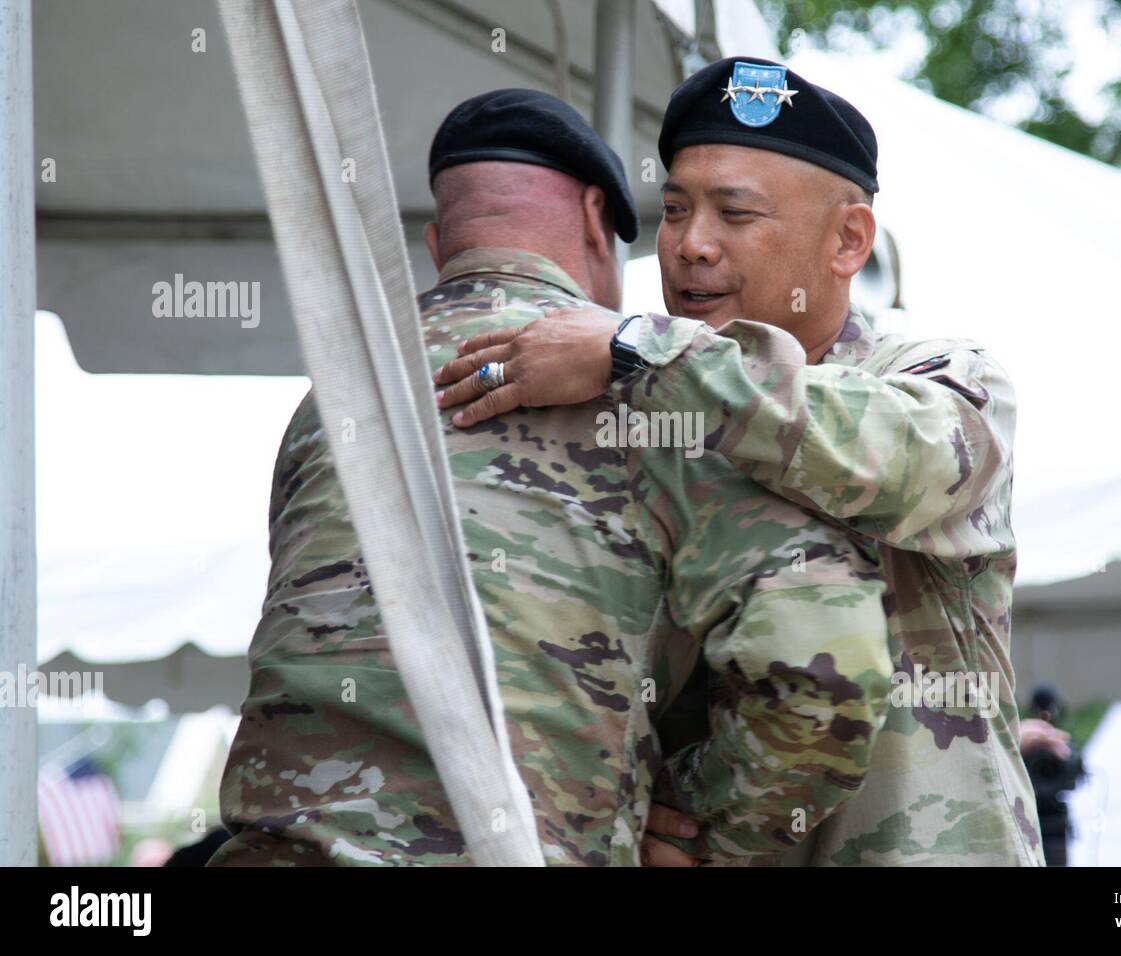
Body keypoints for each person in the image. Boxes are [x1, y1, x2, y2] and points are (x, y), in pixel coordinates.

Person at [210, 89, 893, 867]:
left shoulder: (331, 399)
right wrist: (706, 830)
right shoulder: (661, 392)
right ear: (599, 226)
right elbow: (824, 662)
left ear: (440, 244)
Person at [435, 59, 1045, 866]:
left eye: (735, 214)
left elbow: (897, 458)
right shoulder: (647, 411)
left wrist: (634, 350)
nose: (690, 247)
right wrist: (660, 806)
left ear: (848, 240)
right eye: (677, 209)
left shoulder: (942, 378)